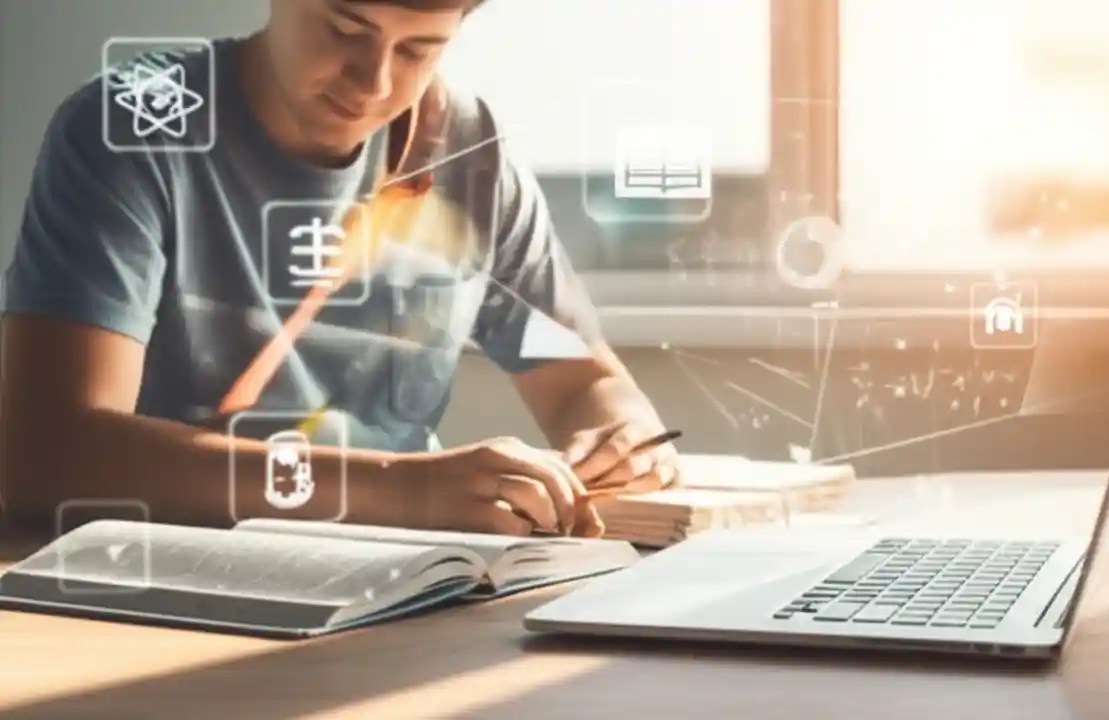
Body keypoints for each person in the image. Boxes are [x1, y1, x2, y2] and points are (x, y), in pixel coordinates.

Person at [0, 0, 679, 538]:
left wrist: (619, 431)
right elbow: (47, 447)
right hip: (157, 574)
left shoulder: (467, 161)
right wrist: (398, 486)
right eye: (346, 26)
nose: (374, 82)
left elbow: (576, 379)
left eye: (420, 48)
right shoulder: (134, 131)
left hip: (399, 587)